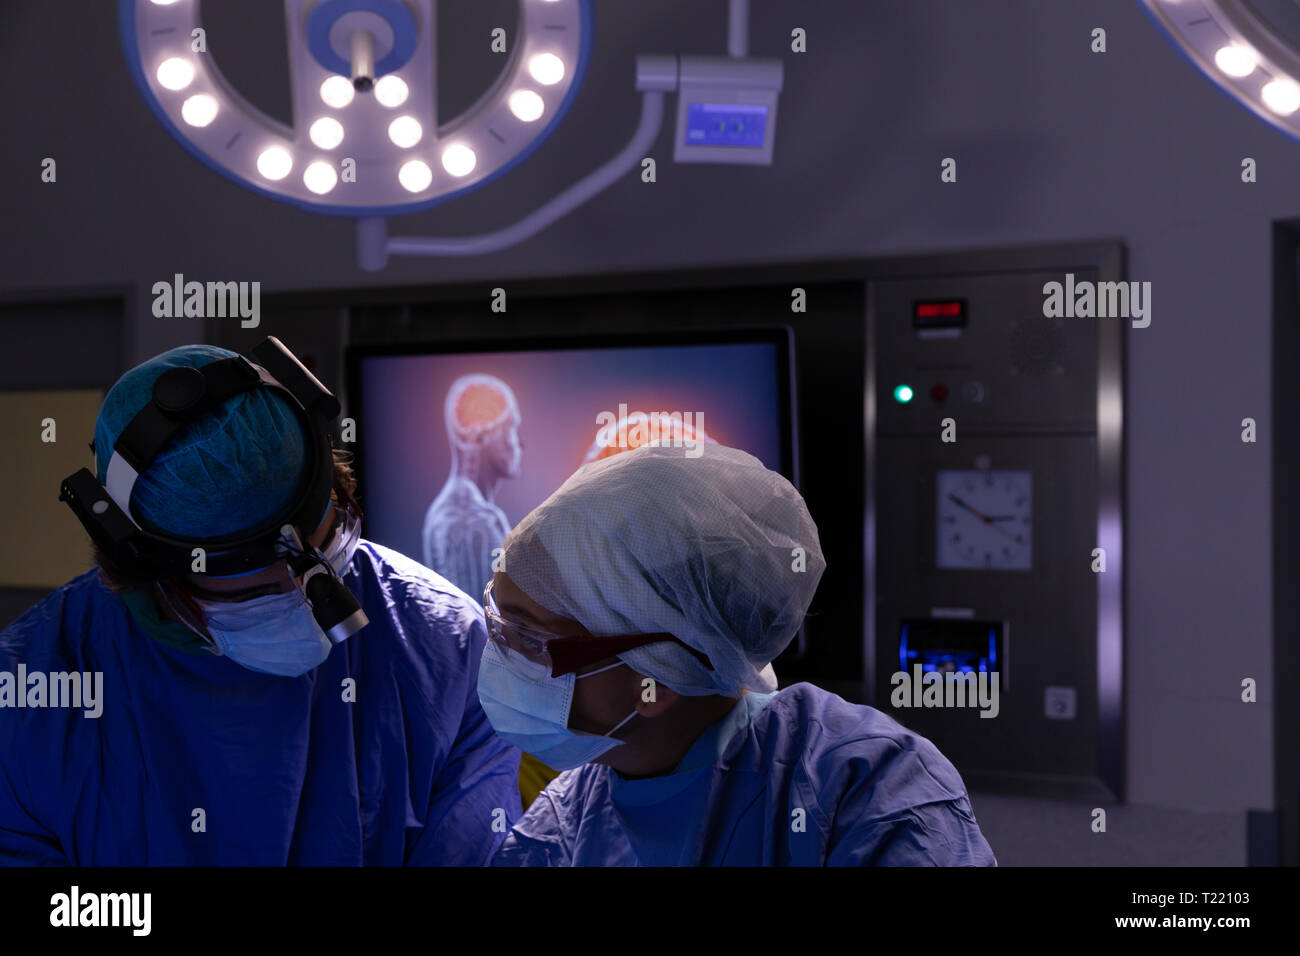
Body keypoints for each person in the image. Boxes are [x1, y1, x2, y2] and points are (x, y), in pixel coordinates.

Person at [0, 343, 521, 865]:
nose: (309, 609)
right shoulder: (31, 695)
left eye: (326, 559)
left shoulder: (448, 650)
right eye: (254, 593)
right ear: (141, 572)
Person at [480, 443, 997, 866]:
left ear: (656, 680)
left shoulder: (865, 790)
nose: (497, 652)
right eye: (496, 619)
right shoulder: (563, 825)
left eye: (528, 638)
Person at [422, 373, 521, 598]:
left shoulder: (462, 513)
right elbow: (481, 620)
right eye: (511, 428)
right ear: (482, 434)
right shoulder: (469, 520)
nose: (517, 443)